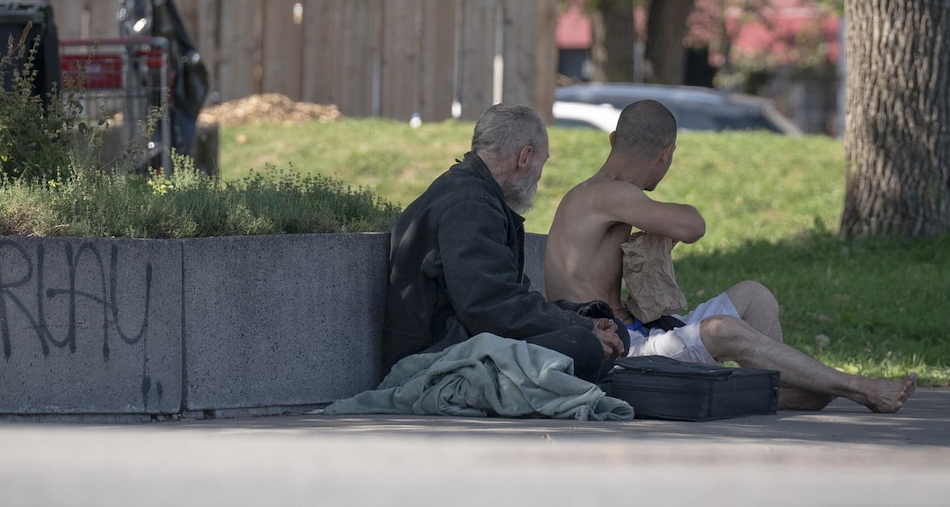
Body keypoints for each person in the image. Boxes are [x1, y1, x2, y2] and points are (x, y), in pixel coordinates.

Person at [544, 99, 918, 413]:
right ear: (666, 153)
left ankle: (782, 388)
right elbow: (693, 226)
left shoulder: (592, 195)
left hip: (644, 333)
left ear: (613, 139)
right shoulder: (611, 193)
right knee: (723, 329)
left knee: (754, 296)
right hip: (622, 351)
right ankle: (861, 388)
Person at [381, 103, 627, 384]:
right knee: (585, 346)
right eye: (542, 162)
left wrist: (585, 319)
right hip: (437, 357)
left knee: (612, 330)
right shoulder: (470, 205)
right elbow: (489, 306)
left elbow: (504, 296)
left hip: (470, 338)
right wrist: (582, 328)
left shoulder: (473, 195)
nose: (540, 173)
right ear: (525, 157)